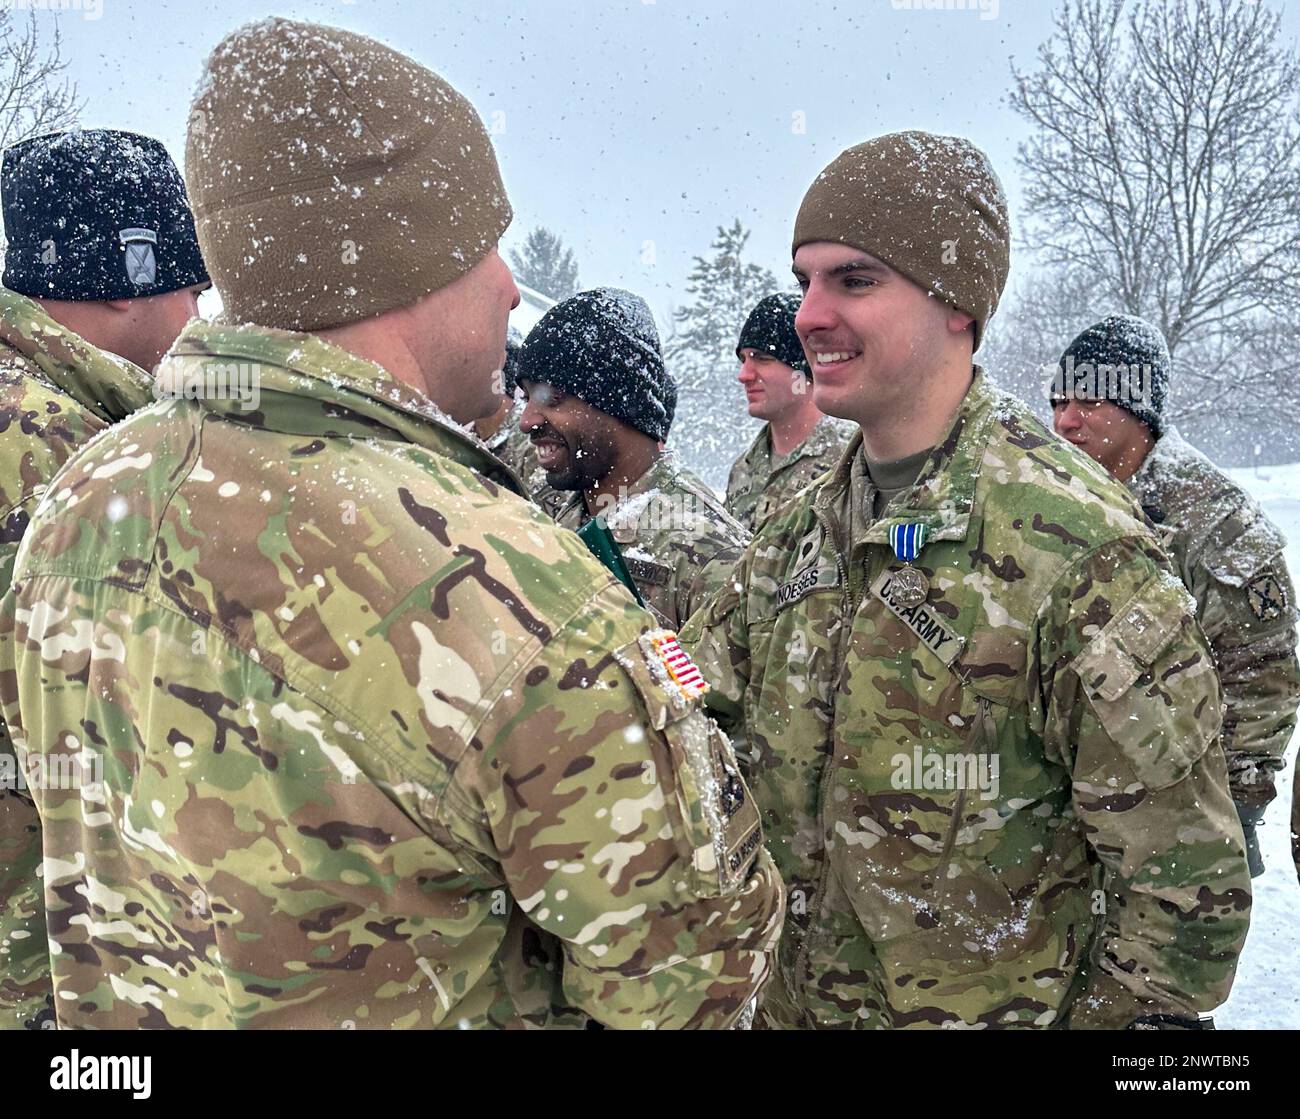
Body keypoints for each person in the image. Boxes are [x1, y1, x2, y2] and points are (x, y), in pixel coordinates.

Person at [0, 18, 781, 1030]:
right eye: (484, 244)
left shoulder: (87, 492)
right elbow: (696, 975)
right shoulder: (518, 593)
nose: (508, 284)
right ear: (399, 264)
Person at [681, 130, 1251, 1030]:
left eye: (854, 280)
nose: (809, 315)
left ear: (958, 302)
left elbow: (1185, 904)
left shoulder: (1079, 553)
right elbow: (686, 706)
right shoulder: (793, 535)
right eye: (806, 280)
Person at [0, 127, 209, 1030]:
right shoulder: (77, 455)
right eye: (191, 286)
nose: (202, 316)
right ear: (130, 275)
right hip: (39, 954)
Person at [1050, 315, 1300, 878]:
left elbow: (1261, 674)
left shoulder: (1215, 522)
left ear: (1139, 411)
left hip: (1178, 806)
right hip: (1071, 798)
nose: (1065, 421)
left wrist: (1237, 807)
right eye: (1058, 401)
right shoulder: (1060, 496)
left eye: (1087, 402)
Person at [517, 287, 749, 629]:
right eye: (526, 398)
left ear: (619, 406)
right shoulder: (555, 516)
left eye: (552, 399)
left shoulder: (710, 556)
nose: (527, 421)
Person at [726, 292, 852, 531]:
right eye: (743, 359)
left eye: (761, 358)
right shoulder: (743, 469)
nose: (744, 375)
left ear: (801, 368)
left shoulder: (850, 457)